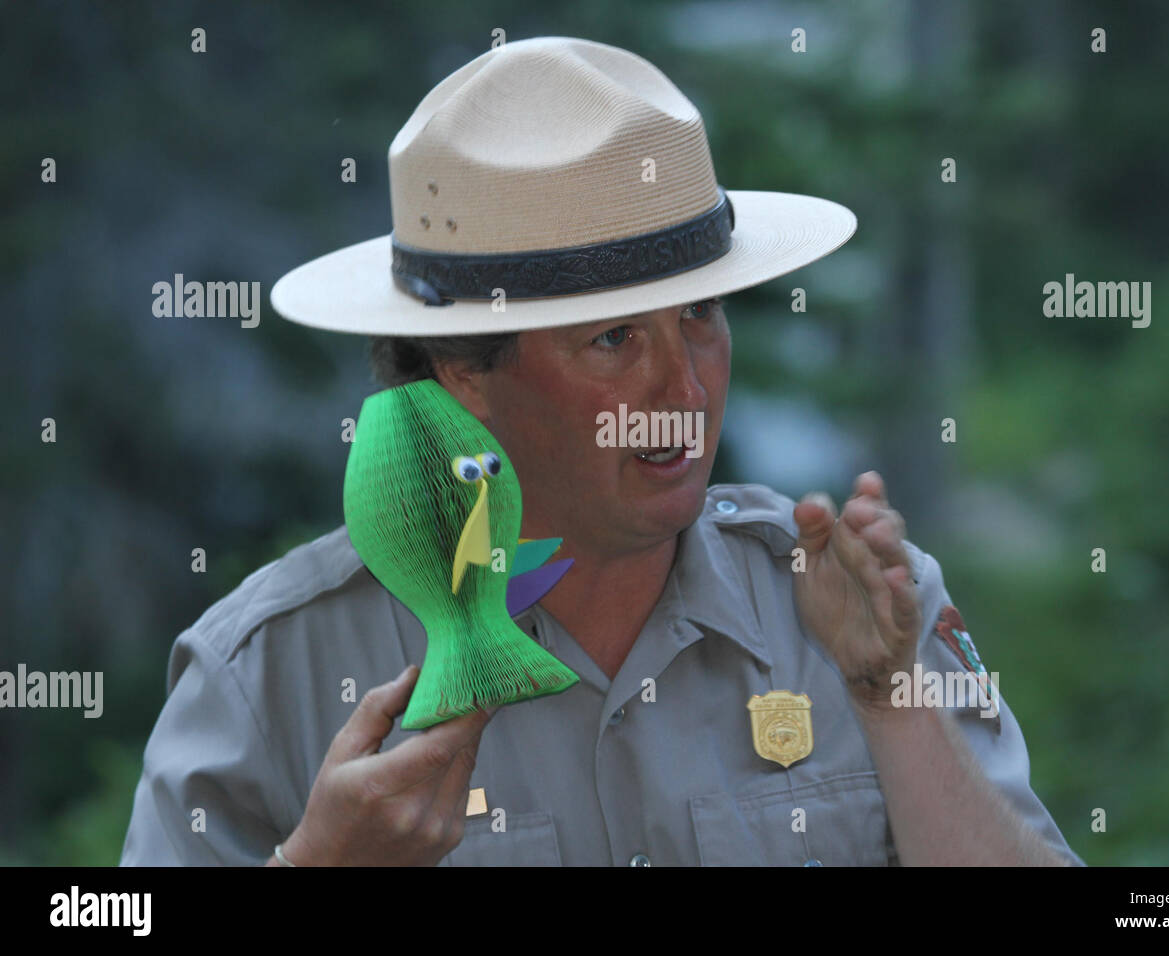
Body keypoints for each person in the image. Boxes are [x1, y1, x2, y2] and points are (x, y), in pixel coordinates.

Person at [120, 36, 1082, 866]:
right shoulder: (270, 671)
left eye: (702, 314)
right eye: (613, 339)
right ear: (464, 369)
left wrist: (890, 701)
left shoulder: (863, 617)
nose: (688, 390)